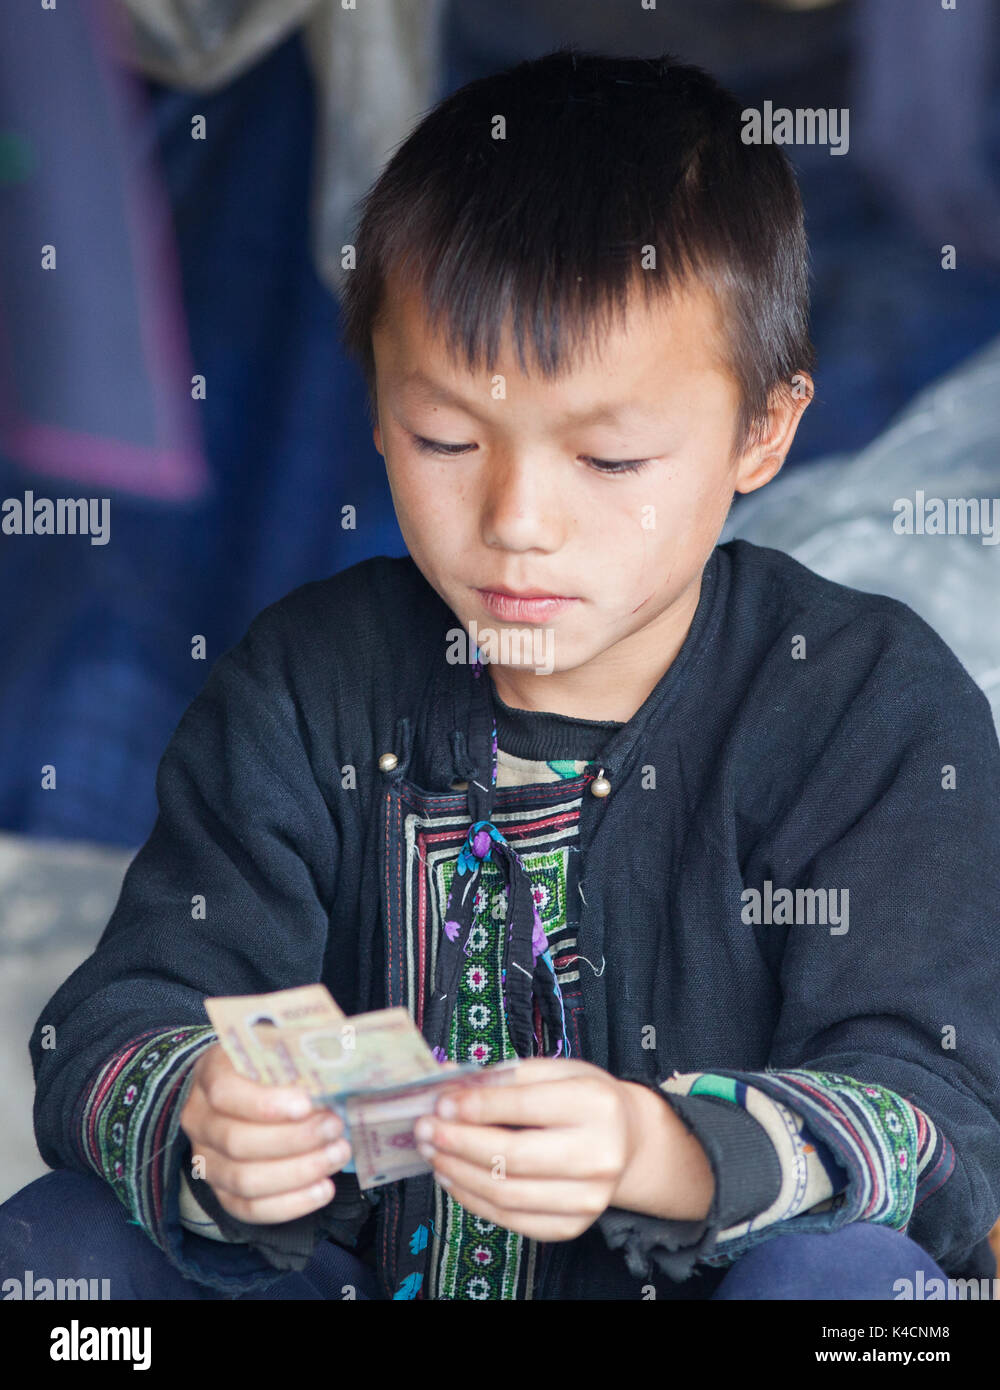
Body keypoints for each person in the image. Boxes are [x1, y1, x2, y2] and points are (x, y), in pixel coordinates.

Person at [3, 48, 999, 1302]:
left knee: (856, 1293)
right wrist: (206, 1133)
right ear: (376, 408)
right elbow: (119, 1019)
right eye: (447, 439)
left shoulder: (865, 705)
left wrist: (670, 1152)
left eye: (611, 459)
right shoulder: (309, 684)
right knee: (64, 1266)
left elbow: (941, 1119)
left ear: (764, 430)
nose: (517, 517)